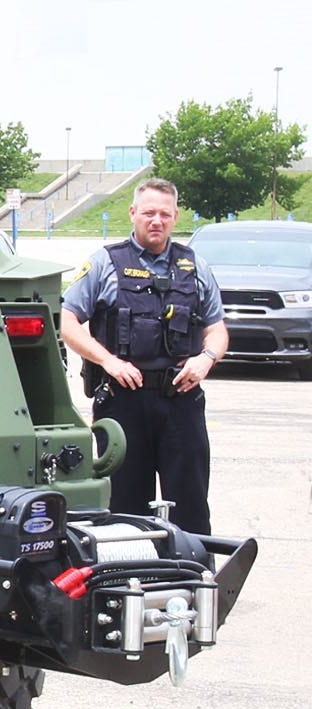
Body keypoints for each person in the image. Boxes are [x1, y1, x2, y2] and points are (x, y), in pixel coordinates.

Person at [59, 178, 228, 534]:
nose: (157, 220)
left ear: (176, 217)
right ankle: (124, 584)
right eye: (149, 212)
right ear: (133, 213)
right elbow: (69, 322)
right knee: (124, 507)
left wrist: (206, 358)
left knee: (191, 505)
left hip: (181, 401)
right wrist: (108, 361)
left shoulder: (195, 266)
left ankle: (194, 580)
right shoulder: (104, 263)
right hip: (123, 403)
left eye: (165, 214)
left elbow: (217, 328)